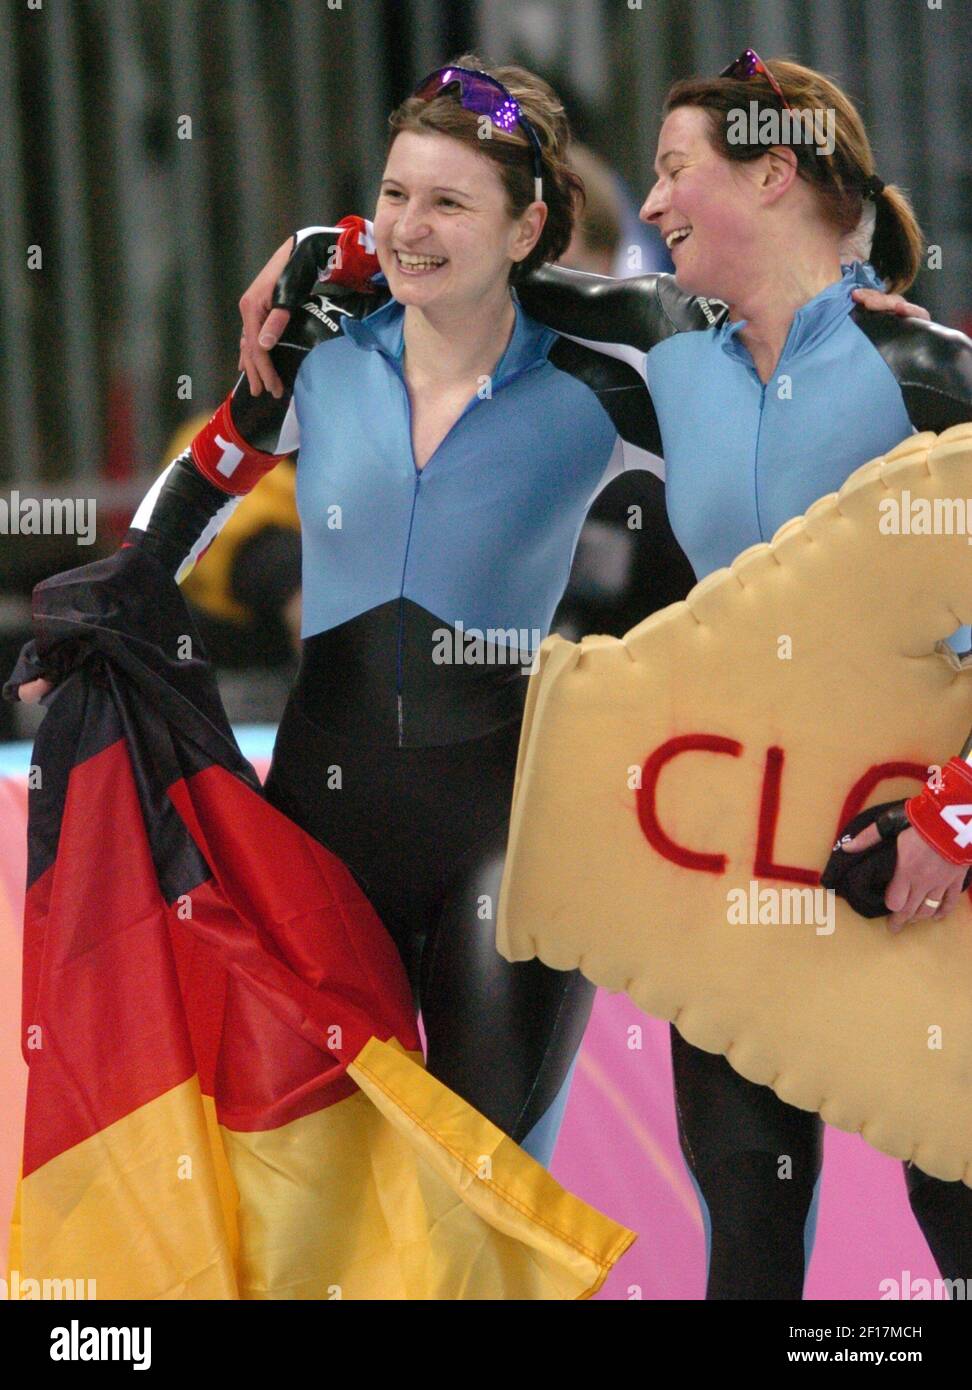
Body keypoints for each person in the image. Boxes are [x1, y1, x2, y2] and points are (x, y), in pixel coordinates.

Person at [235, 53, 972, 1297]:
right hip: (734, 846)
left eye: (679, 167)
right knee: (743, 1200)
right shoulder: (666, 338)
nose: (655, 199)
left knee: (951, 1201)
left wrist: (954, 812)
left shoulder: (928, 375)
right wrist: (326, 243)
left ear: (775, 173)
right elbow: (472, 246)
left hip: (919, 844)